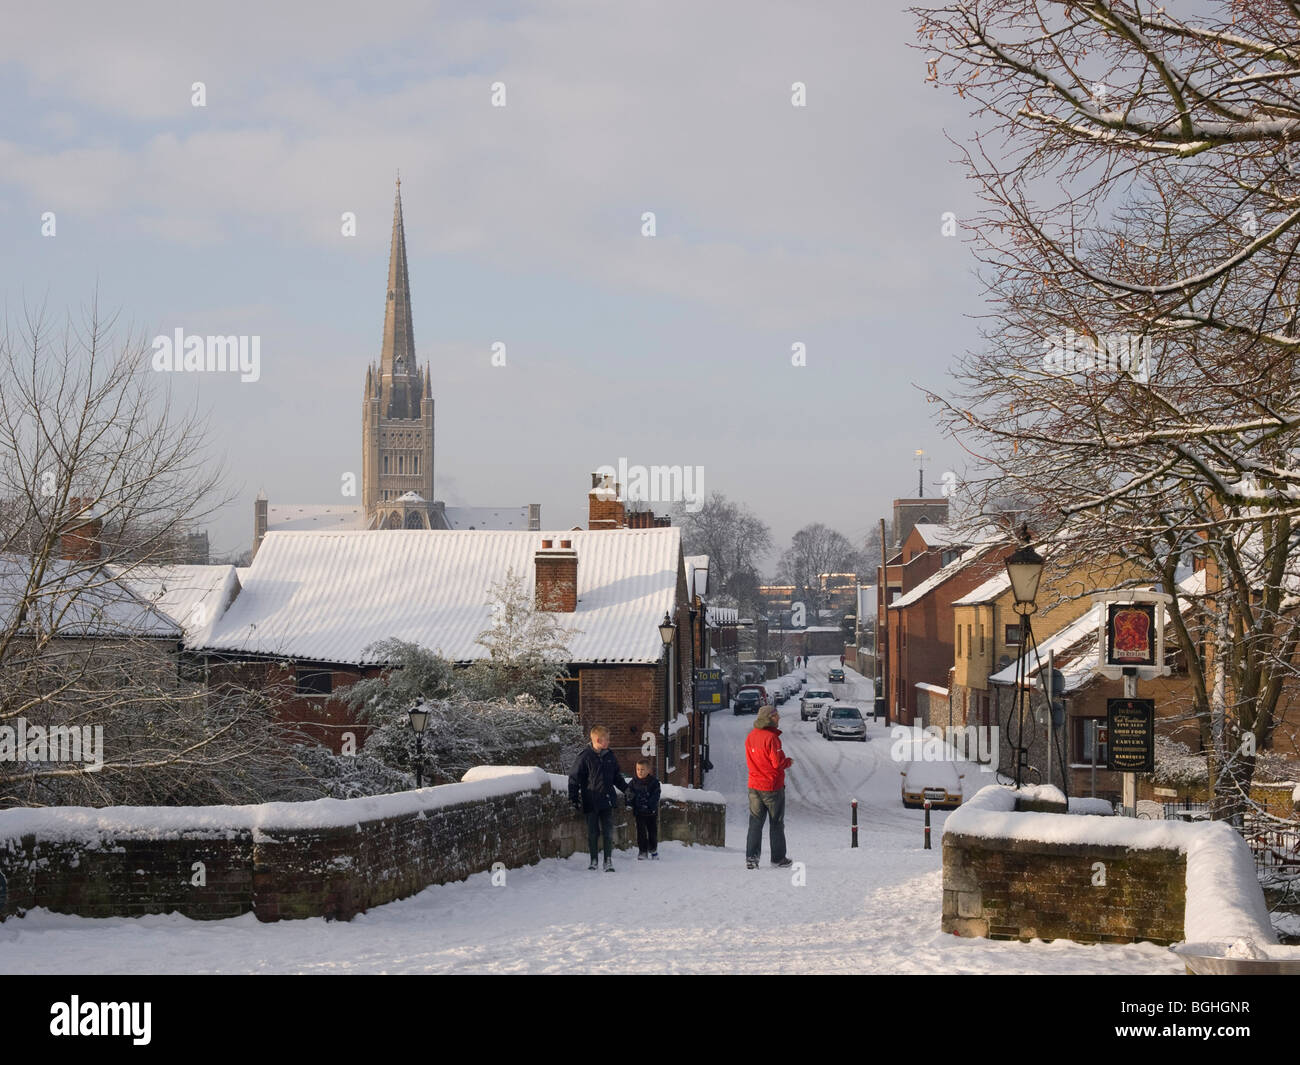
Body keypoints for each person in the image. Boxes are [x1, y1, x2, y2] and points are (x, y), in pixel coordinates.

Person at [568, 725, 628, 871]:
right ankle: (593, 860)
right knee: (593, 832)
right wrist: (574, 798)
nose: (609, 741)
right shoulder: (584, 757)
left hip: (607, 800)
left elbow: (616, 777)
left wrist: (627, 789)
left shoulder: (610, 756)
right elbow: (574, 778)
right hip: (591, 800)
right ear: (598, 740)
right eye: (607, 739)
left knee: (608, 832)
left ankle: (608, 860)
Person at [745, 705, 793, 870]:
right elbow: (777, 762)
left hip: (754, 786)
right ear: (769, 718)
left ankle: (751, 858)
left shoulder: (751, 737)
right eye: (776, 715)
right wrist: (788, 762)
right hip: (772, 786)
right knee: (776, 823)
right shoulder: (772, 738)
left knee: (755, 823)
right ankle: (778, 858)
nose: (779, 718)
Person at [626, 758, 662, 860]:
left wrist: (650, 805)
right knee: (641, 833)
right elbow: (629, 793)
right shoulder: (633, 782)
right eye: (638, 769)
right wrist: (629, 803)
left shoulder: (654, 782)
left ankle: (653, 850)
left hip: (651, 813)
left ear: (648, 770)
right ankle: (642, 851)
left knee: (652, 832)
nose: (639, 772)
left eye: (642, 769)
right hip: (639, 813)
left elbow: (656, 795)